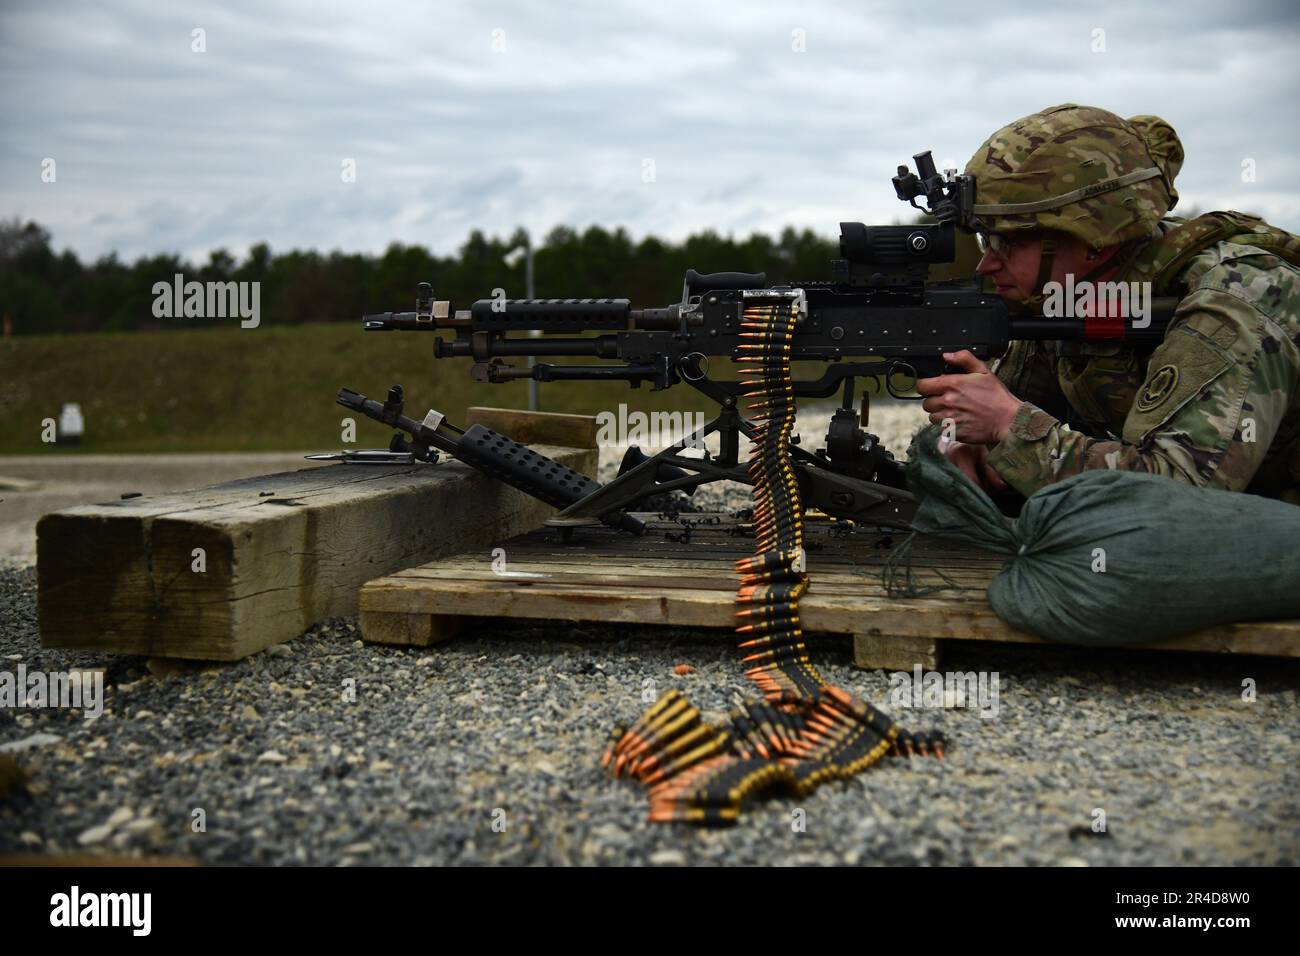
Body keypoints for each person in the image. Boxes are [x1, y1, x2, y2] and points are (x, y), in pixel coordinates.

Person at [916, 103, 1300, 504]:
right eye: (985, 238)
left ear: (1092, 239)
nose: (986, 263)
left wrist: (1008, 427)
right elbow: (1010, 409)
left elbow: (1180, 501)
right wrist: (966, 438)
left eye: (1007, 241)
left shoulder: (1236, 302)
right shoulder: (1065, 295)